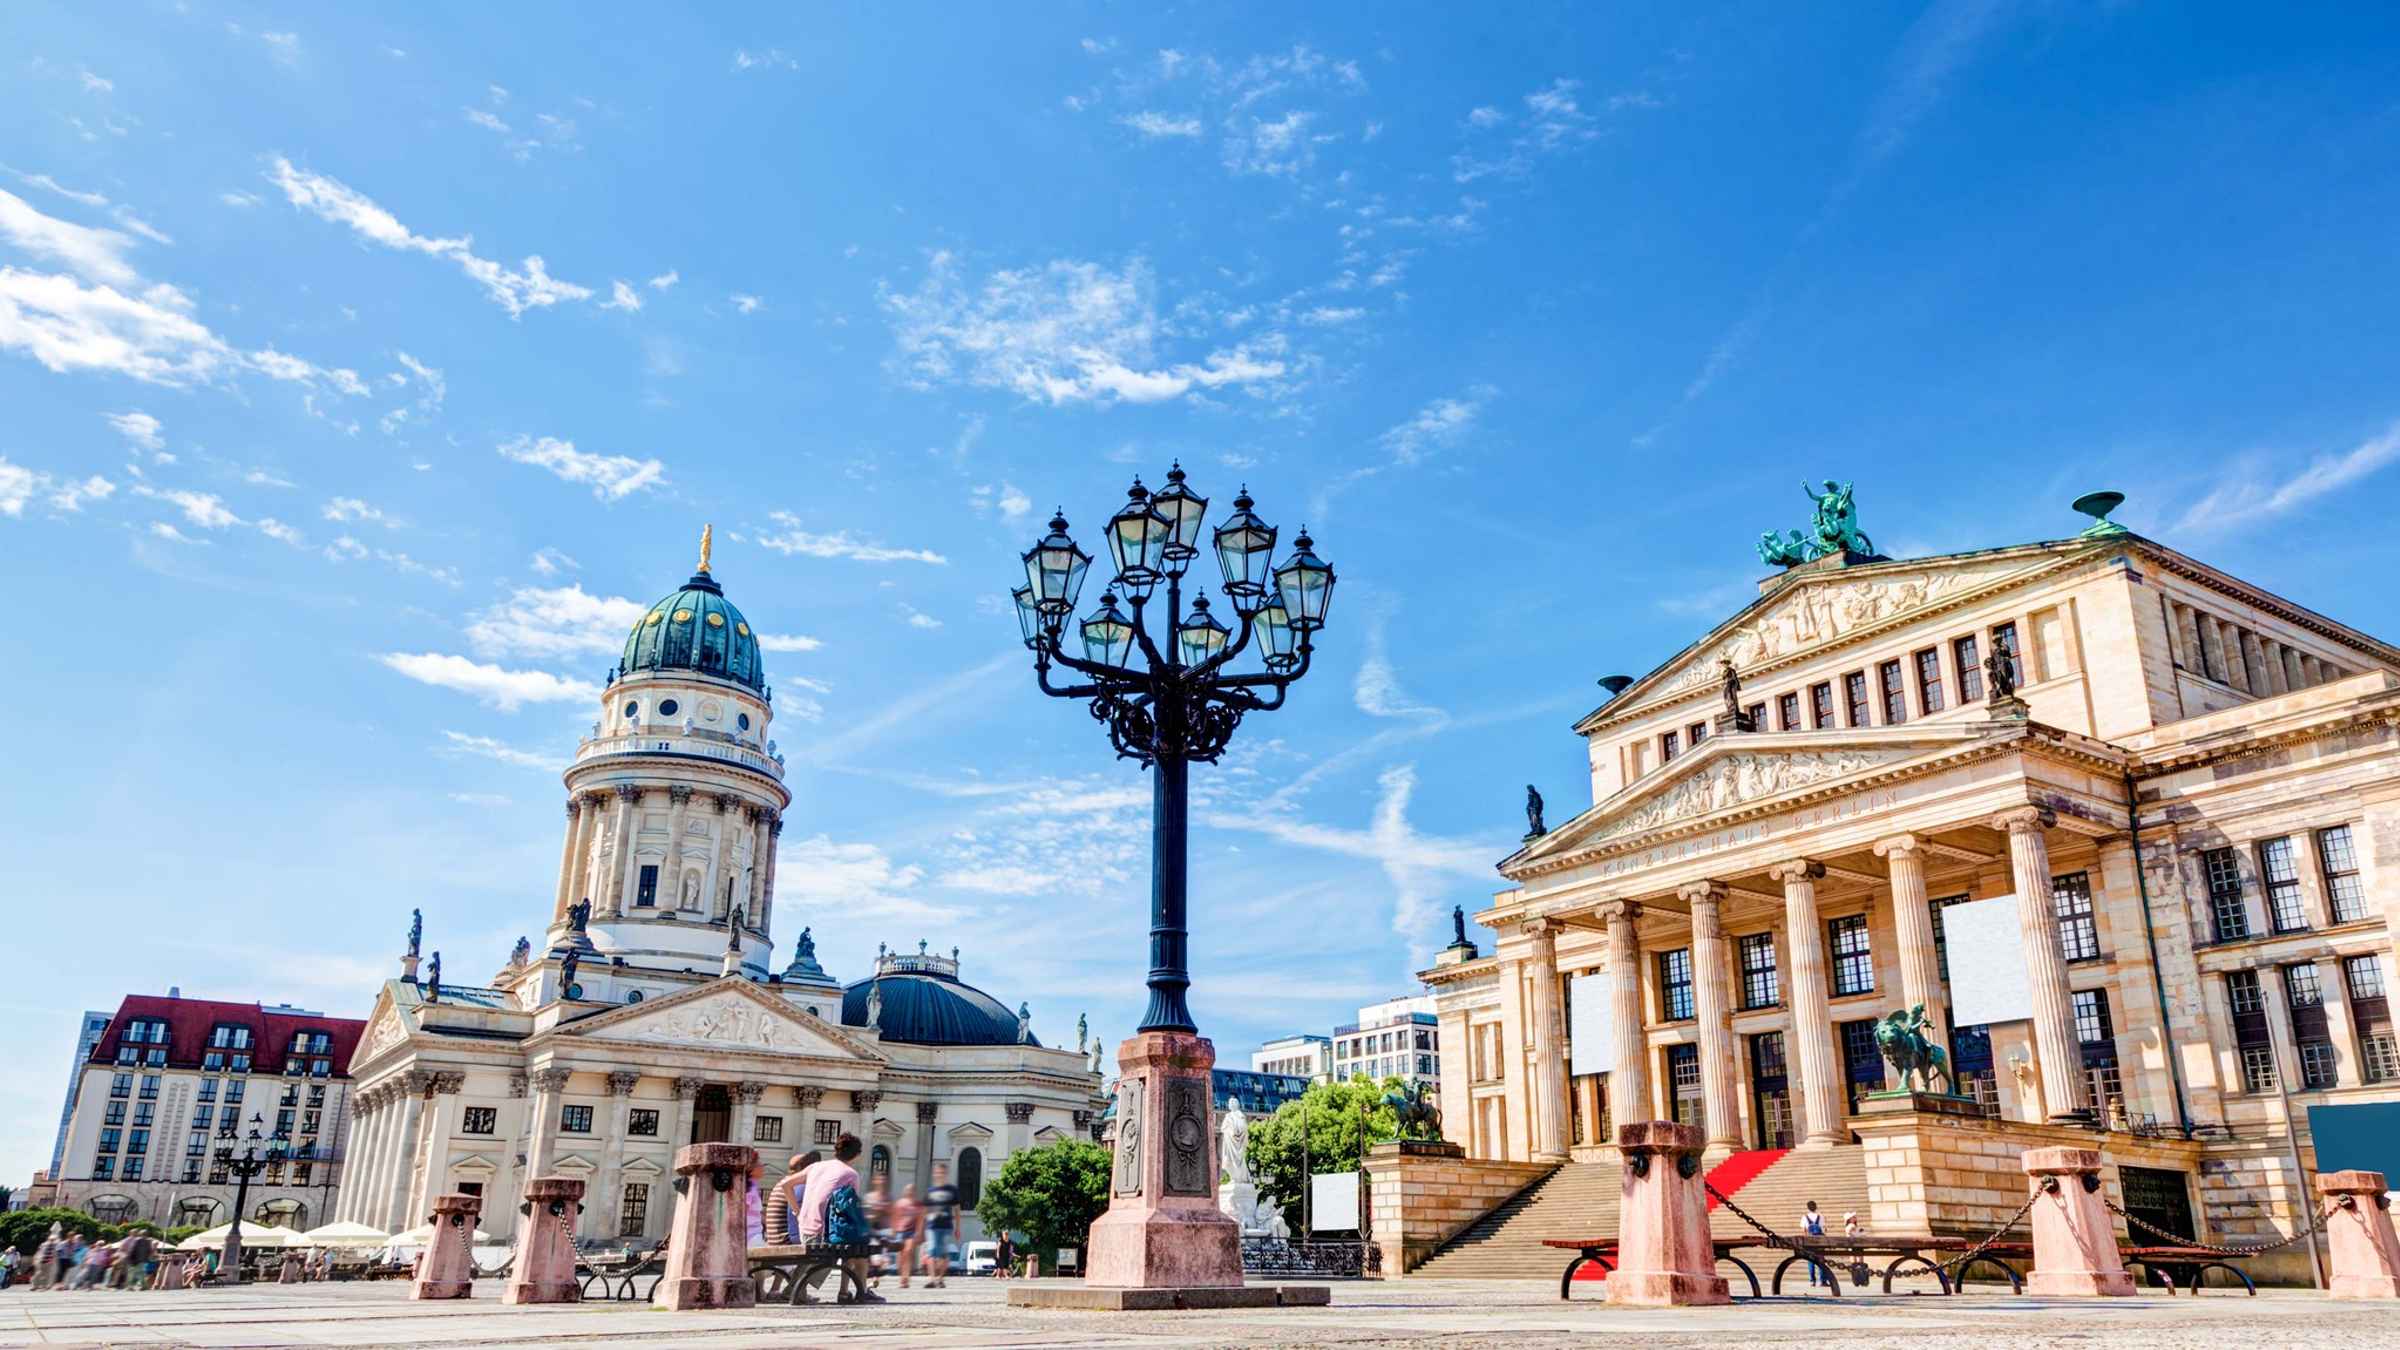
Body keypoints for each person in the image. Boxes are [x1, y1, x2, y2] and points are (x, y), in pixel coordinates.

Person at [795, 1133, 883, 1303]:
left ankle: (846, 1291)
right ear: (857, 1155)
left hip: (804, 1228)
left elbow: (786, 1184)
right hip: (824, 1234)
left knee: (850, 1245)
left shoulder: (816, 1166)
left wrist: (797, 1211)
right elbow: (850, 1210)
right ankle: (857, 1291)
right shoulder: (851, 1174)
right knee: (859, 1248)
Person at [922, 1161, 958, 1288]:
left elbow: (957, 1209)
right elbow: (924, 1210)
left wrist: (958, 1227)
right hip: (931, 1226)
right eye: (937, 1172)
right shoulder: (930, 1191)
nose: (939, 1174)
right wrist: (921, 1227)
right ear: (934, 1174)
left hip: (946, 1225)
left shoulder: (952, 1190)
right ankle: (932, 1279)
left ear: (946, 1174)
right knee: (931, 1252)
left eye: (942, 1172)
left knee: (943, 1253)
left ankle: (941, 1279)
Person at [890, 1184, 921, 1288]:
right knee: (901, 1256)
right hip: (900, 1231)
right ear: (905, 1191)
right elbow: (894, 1217)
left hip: (911, 1232)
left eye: (912, 1190)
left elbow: (920, 1220)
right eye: (908, 1190)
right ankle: (901, 1276)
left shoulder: (918, 1205)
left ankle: (906, 1278)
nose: (910, 1192)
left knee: (908, 1253)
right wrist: (893, 1230)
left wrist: (918, 1232)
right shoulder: (900, 1204)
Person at [1800, 1200, 1826, 1289]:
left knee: (1810, 1261)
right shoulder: (1820, 1216)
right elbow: (1823, 1229)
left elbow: (1804, 1230)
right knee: (1821, 1260)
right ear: (1816, 1207)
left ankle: (1812, 1281)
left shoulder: (1805, 1217)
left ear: (1808, 1208)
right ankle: (1822, 1280)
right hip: (1820, 1241)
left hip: (1810, 1241)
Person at [744, 1157, 768, 1248]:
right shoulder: (750, 1189)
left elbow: (754, 1213)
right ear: (751, 1170)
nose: (763, 1167)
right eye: (760, 1165)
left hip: (753, 1235)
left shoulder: (753, 1185)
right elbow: (742, 1213)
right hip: (751, 1237)